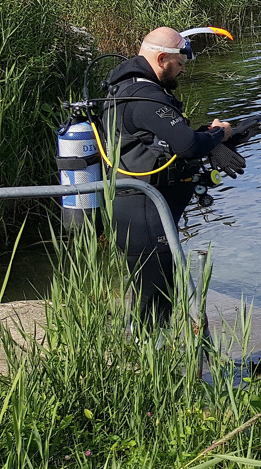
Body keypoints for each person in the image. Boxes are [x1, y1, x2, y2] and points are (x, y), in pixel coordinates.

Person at [103, 27, 245, 329]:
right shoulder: (143, 97)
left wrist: (209, 137)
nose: (181, 71)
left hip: (135, 203)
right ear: (163, 57)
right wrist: (220, 132)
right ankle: (145, 359)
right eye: (179, 64)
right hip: (143, 210)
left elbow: (163, 143)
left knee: (153, 293)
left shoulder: (124, 86)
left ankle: (147, 353)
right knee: (156, 298)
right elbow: (188, 145)